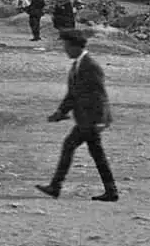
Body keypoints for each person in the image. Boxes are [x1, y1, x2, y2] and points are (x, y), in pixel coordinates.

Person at [36, 30, 118, 202]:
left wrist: (100, 121)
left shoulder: (90, 66)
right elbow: (72, 95)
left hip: (91, 120)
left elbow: (100, 95)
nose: (65, 50)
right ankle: (111, 191)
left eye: (66, 46)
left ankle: (55, 187)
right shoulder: (78, 65)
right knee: (96, 154)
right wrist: (60, 113)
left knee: (71, 147)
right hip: (86, 119)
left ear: (75, 47)